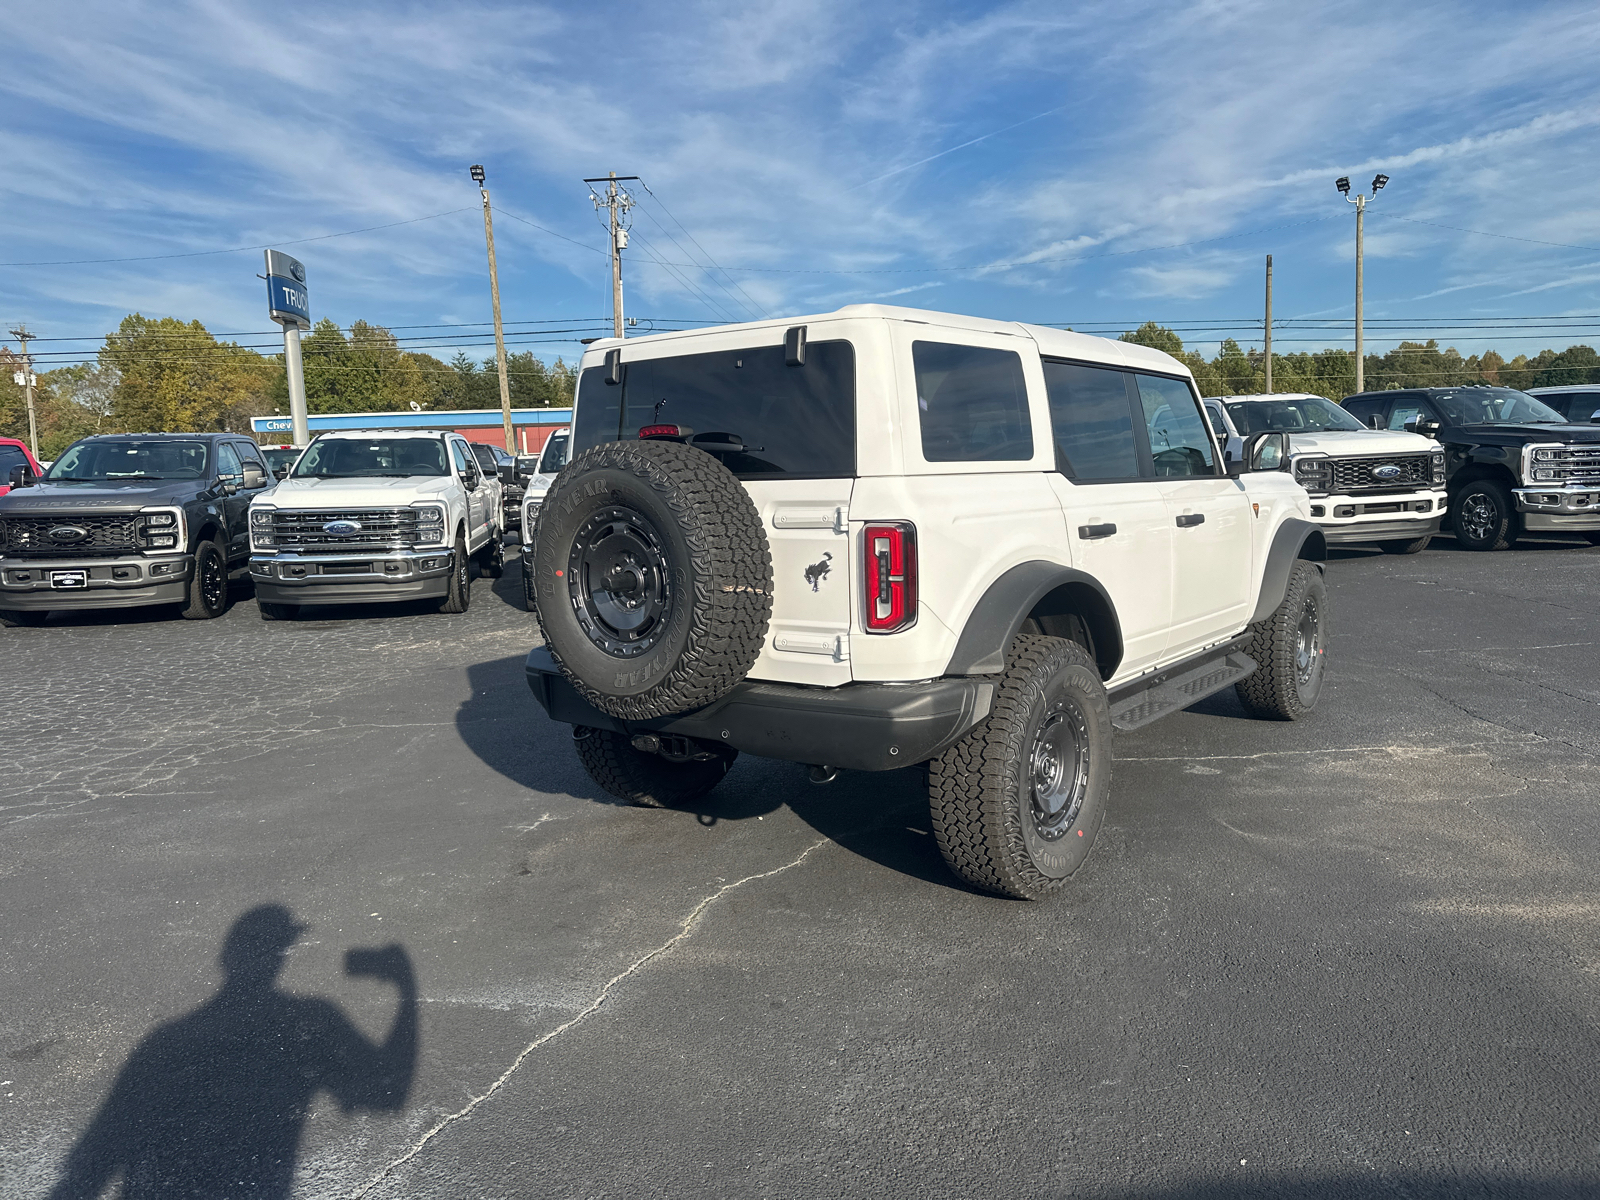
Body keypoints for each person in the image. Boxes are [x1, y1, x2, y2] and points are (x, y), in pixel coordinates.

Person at [50, 905, 417, 1200]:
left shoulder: (165, 1042)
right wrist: (406, 986)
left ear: (227, 961)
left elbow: (92, 1162)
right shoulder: (310, 1022)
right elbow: (388, 1092)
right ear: (277, 959)